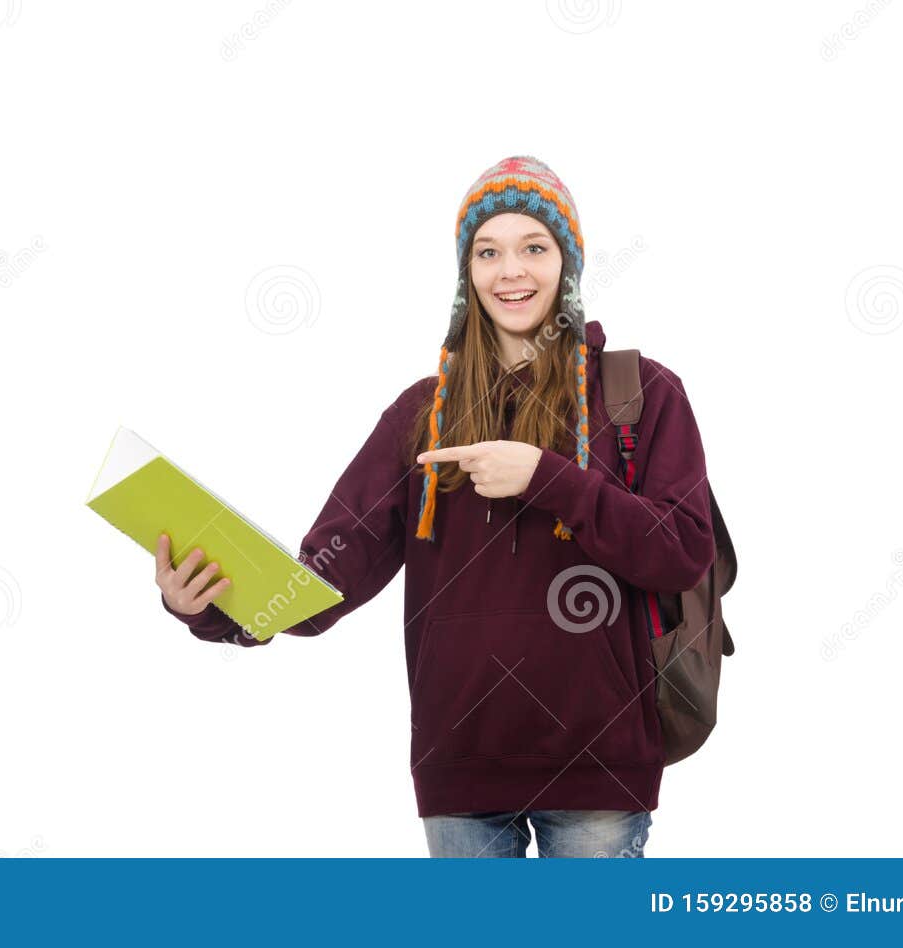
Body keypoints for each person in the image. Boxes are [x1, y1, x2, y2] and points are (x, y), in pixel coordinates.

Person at [156, 156, 714, 857]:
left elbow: (682, 552)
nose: (510, 271)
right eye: (488, 252)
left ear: (568, 264)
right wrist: (213, 606)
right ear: (466, 272)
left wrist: (548, 477)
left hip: (599, 767)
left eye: (534, 248)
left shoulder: (642, 392)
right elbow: (327, 578)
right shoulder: (420, 415)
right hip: (460, 772)